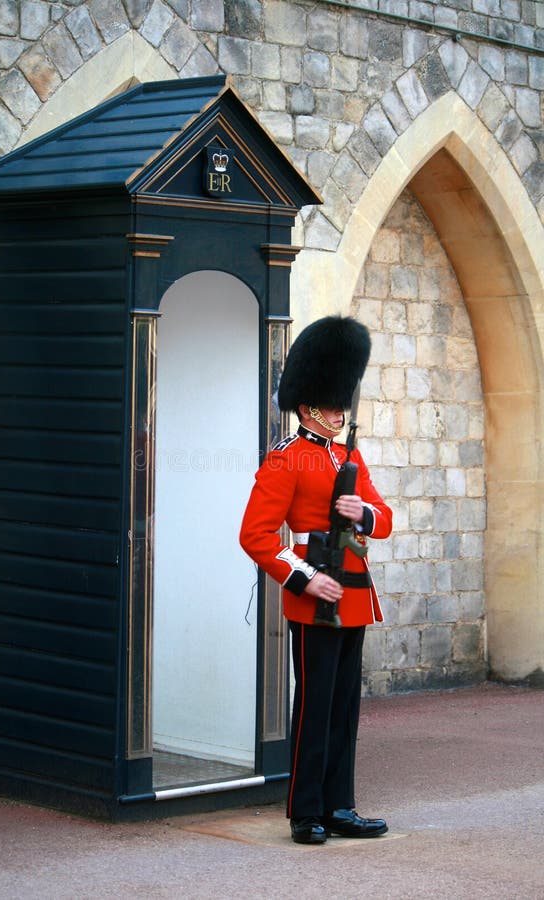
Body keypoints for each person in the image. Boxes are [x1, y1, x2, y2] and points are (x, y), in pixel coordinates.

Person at [240, 315, 393, 845]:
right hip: (314, 600)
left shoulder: (350, 455)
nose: (339, 411)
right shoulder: (287, 460)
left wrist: (362, 511)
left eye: (340, 402)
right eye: (331, 403)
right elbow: (256, 536)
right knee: (313, 707)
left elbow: (384, 516)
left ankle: (340, 805)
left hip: (352, 597)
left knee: (345, 708)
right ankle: (306, 811)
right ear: (307, 406)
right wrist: (305, 580)